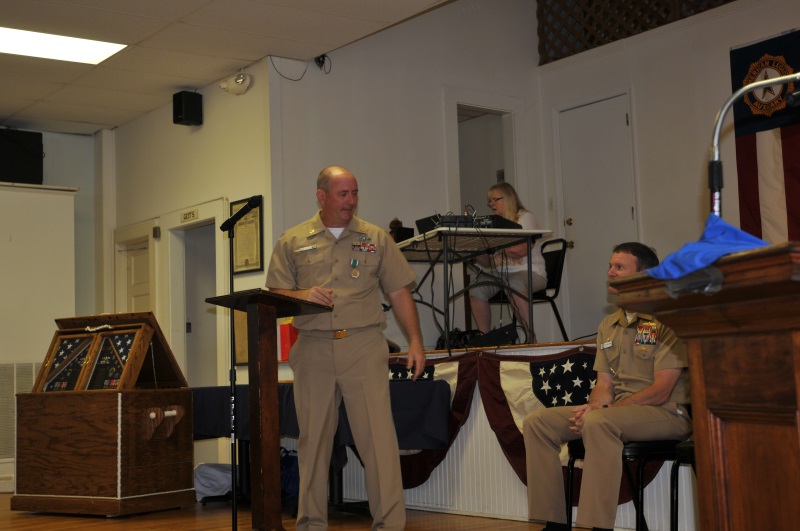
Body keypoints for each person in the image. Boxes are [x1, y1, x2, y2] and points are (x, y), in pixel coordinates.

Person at [266, 165, 425, 531]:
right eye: (343, 194)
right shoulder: (293, 240)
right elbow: (275, 293)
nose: (351, 201)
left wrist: (415, 341)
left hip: (363, 344)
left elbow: (399, 291)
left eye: (354, 193)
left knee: (378, 440)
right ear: (321, 196)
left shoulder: (375, 237)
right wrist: (302, 295)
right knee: (313, 442)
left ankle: (390, 525)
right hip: (313, 347)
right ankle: (311, 524)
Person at [522, 242, 692, 531]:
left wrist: (603, 412)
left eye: (619, 267)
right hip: (618, 411)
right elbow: (604, 384)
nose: (610, 272)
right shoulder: (609, 325)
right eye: (610, 266)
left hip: (666, 412)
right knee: (539, 423)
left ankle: (596, 526)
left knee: (599, 422)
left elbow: (662, 390)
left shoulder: (666, 319)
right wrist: (593, 407)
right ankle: (553, 522)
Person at [469, 182, 547, 342]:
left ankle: (531, 339)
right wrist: (474, 250)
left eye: (495, 199)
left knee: (513, 283)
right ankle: (485, 341)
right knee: (476, 287)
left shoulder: (525, 218)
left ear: (509, 198)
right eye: (490, 201)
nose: (491, 204)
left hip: (531, 272)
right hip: (502, 275)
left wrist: (493, 244)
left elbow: (520, 250)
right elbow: (488, 263)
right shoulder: (494, 224)